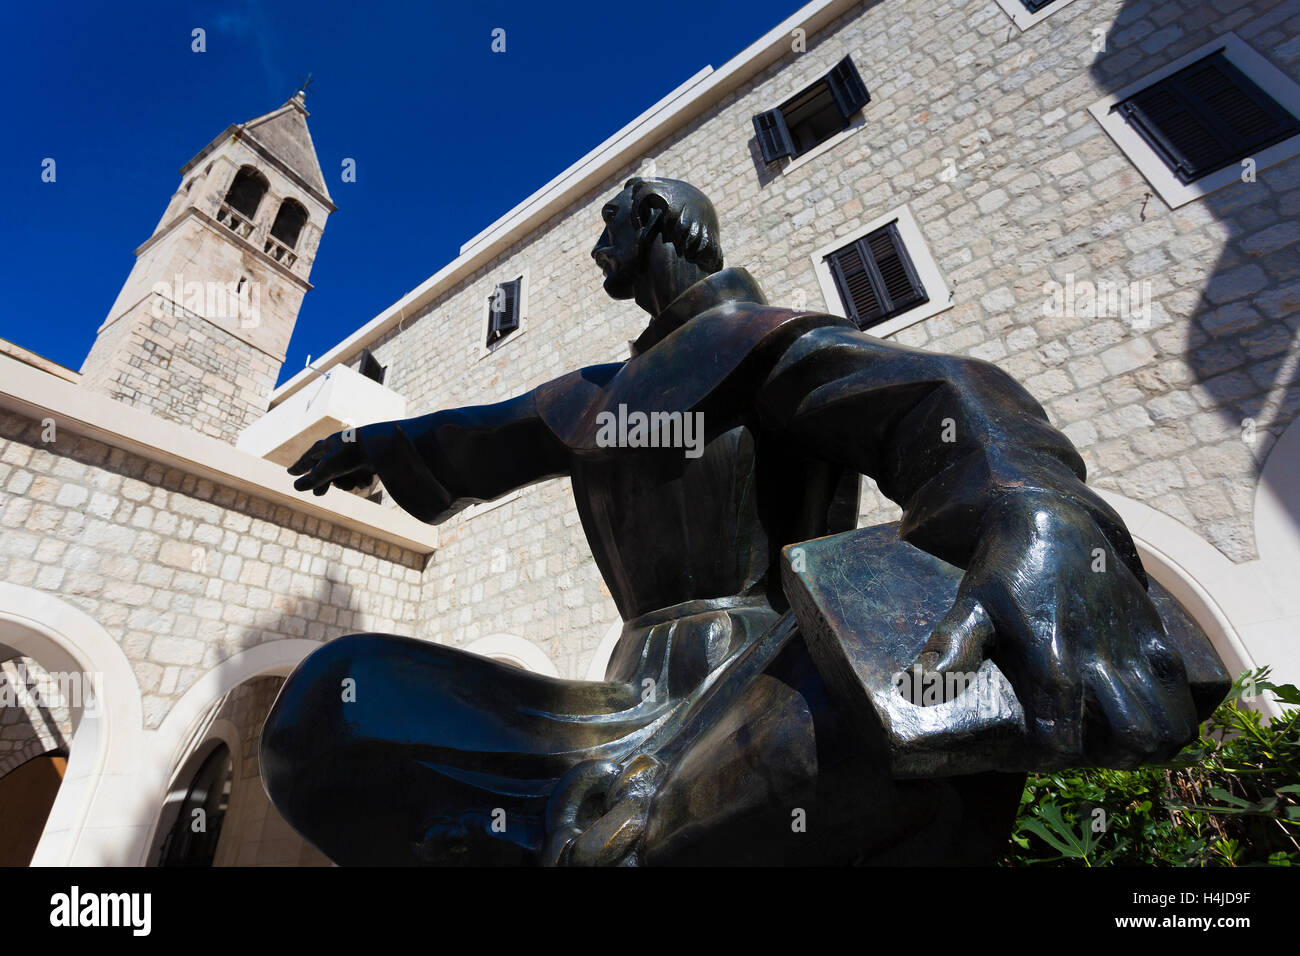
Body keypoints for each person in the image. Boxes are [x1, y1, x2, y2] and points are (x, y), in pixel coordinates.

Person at [261, 177, 1203, 866]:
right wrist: (372, 446)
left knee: (896, 684)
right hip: (620, 705)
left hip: (770, 678)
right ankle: (600, 823)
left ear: (661, 224)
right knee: (333, 700)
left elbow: (938, 399)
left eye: (610, 230)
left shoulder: (764, 343)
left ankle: (635, 823)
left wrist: (1035, 520)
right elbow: (480, 434)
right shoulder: (590, 395)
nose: (597, 253)